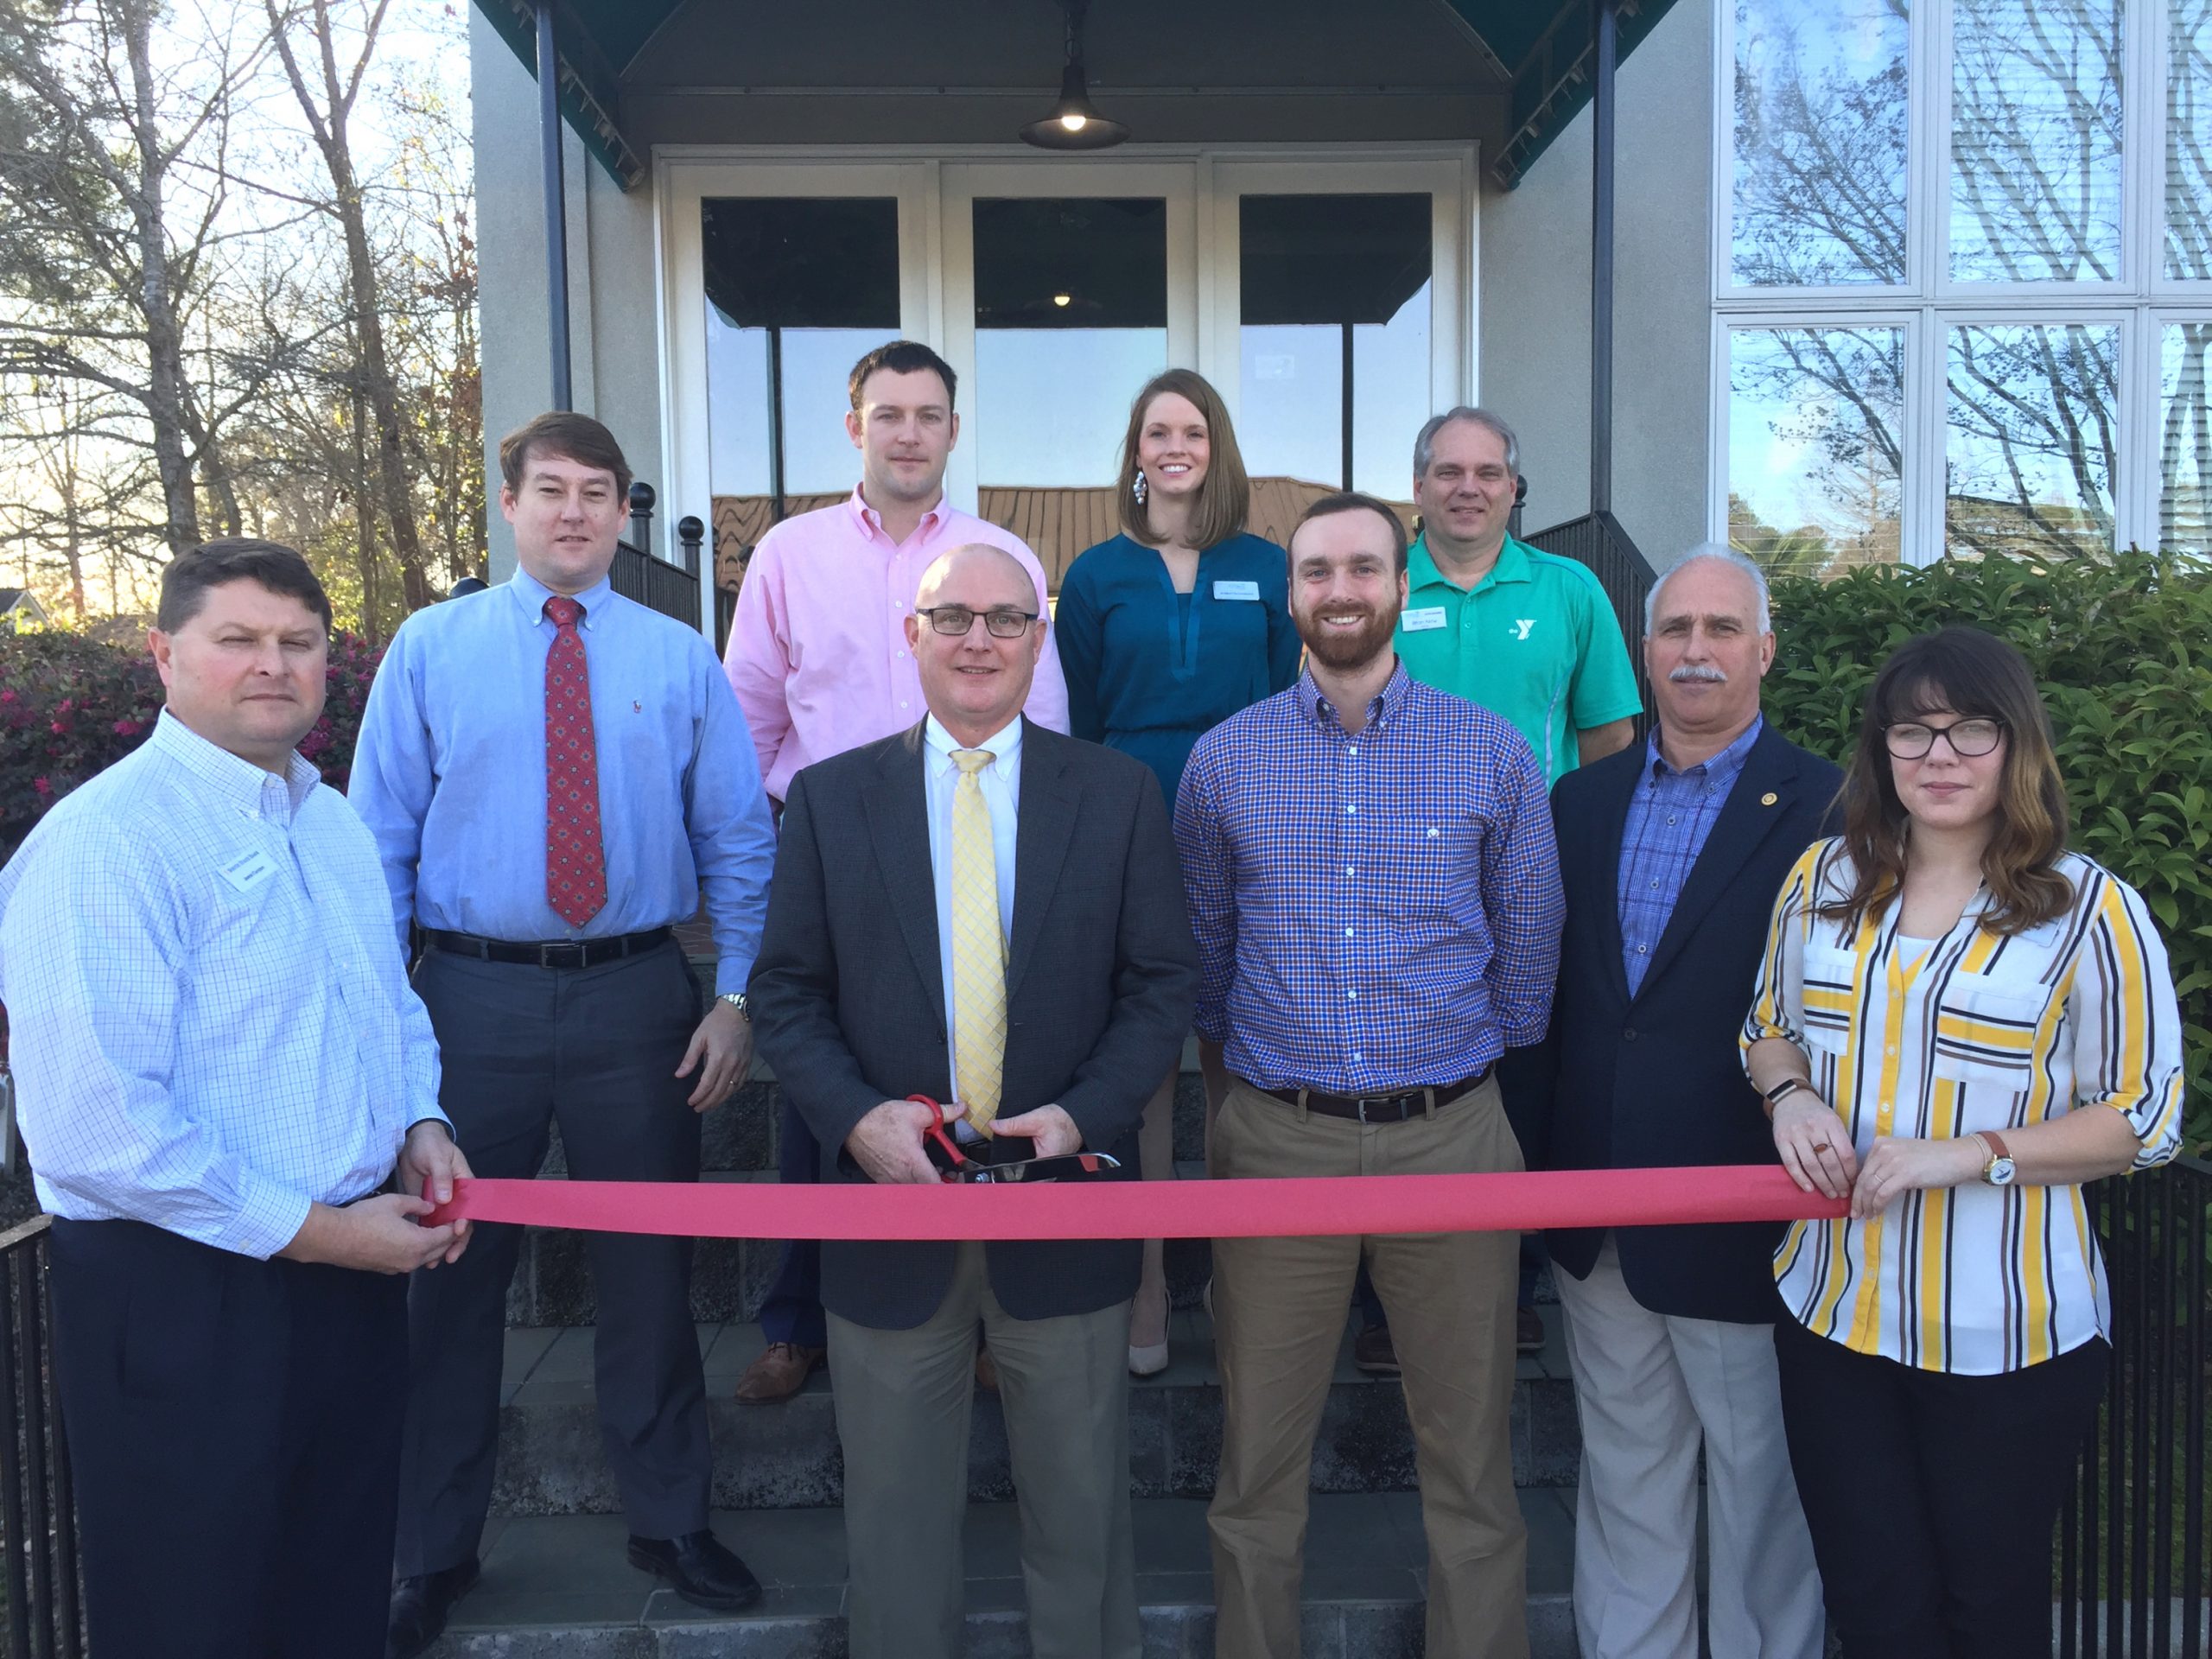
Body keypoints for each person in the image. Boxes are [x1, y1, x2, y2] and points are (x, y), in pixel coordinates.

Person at [353, 412, 779, 1656]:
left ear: (621, 513)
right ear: (509, 502)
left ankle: (669, 1521)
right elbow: (373, 842)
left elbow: (739, 843)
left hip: (637, 996)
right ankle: (429, 1551)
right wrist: (390, 1023)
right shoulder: (431, 651)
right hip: (464, 1002)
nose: (577, 513)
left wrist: (737, 995)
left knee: (651, 1273)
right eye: (553, 491)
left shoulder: (679, 656)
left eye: (600, 494)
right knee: (446, 1278)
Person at [0, 541, 471, 1659]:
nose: (274, 665)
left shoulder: (330, 821)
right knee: (194, 1616)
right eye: (239, 640)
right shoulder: (104, 844)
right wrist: (325, 1236)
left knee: (333, 1597)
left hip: (348, 1279)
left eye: (298, 643)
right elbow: (100, 1126)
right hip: (185, 1298)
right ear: (166, 655)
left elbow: (385, 1008)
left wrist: (422, 1122)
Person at [747, 542, 1197, 1659]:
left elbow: (1161, 988)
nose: (980, 640)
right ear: (914, 634)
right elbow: (786, 995)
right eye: (954, 618)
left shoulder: (1119, 794)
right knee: (894, 1540)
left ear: (1039, 640)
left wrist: (1086, 1116)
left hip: (1068, 1211)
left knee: (1084, 1524)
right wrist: (855, 1120)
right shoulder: (830, 799)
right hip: (889, 1224)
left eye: (1006, 619)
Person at [1744, 625, 2185, 1659]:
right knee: (1873, 1603)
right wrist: (1790, 1100)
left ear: (2016, 744)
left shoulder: (2089, 912)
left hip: (2009, 1334)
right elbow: (1766, 1028)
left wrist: (1970, 1152)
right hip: (1834, 1314)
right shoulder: (1821, 880)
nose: (1939, 756)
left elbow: (2144, 1115)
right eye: (1912, 731)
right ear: (1881, 750)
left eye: (1969, 729)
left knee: (1989, 1611)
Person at [1176, 492, 1563, 1659]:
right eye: (1315, 571)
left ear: (1402, 585)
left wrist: (1461, 1070)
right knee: (1257, 1461)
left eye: (1361, 567)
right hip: (1277, 1137)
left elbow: (1528, 931)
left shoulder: (1488, 747)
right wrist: (1246, 1094)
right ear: (1290, 594)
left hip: (1451, 1134)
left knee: (1472, 1460)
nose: (1339, 589)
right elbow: (1203, 944)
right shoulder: (1224, 759)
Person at [722, 339, 1070, 1404]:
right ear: (855, 427)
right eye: (889, 413)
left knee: (983, 1064)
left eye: (927, 414)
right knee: (816, 1081)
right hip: (834, 852)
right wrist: (790, 820)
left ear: (952, 431)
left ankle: (974, 1312)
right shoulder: (791, 551)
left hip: (972, 839)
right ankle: (798, 1321)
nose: (908, 432)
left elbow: (1041, 707)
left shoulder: (996, 550)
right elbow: (749, 712)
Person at [1535, 546, 1834, 1659]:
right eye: (1673, 631)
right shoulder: (1580, 797)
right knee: (1625, 1478)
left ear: (1763, 650)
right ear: (1643, 653)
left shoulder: (1835, 805)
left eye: (1720, 630)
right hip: (1601, 1203)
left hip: (1748, 1206)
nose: (1695, 651)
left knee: (1762, 1490)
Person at [1369, 406, 1641, 1370]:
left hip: (1528, 882)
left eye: (1488, 472)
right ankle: (1379, 1304)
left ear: (1515, 488)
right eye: (1447, 471)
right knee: (1389, 1071)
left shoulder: (1569, 592)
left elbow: (1608, 737)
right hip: (1388, 889)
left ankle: (1512, 1282)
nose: (1468, 488)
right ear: (1418, 487)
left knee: (1520, 1072)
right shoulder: (1380, 585)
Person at [1054, 367, 1300, 1375]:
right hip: (1130, 816)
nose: (1174, 447)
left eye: (1191, 430)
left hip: (1247, 815)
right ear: (1135, 449)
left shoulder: (1269, 564)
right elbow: (1072, 712)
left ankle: (1249, 1286)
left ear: (1215, 445)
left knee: (1238, 1060)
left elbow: (1294, 701)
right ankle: (1148, 1280)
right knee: (1144, 1066)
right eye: (1156, 430)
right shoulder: (1096, 576)